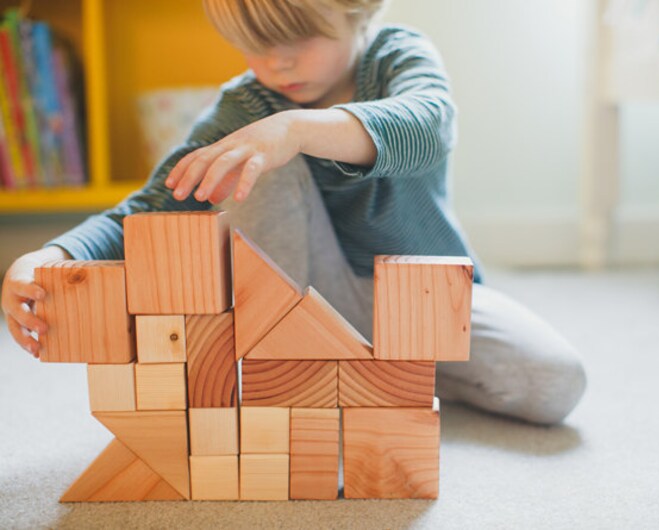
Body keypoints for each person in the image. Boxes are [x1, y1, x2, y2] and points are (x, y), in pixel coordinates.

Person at [0, 0, 587, 425]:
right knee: (250, 153)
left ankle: (375, 376)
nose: (278, 64)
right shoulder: (247, 105)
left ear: (357, 10)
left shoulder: (397, 55)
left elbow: (428, 126)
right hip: (305, 295)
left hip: (425, 288)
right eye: (256, 47)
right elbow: (155, 203)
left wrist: (298, 127)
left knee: (554, 384)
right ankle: (290, 366)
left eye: (301, 37)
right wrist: (52, 254)